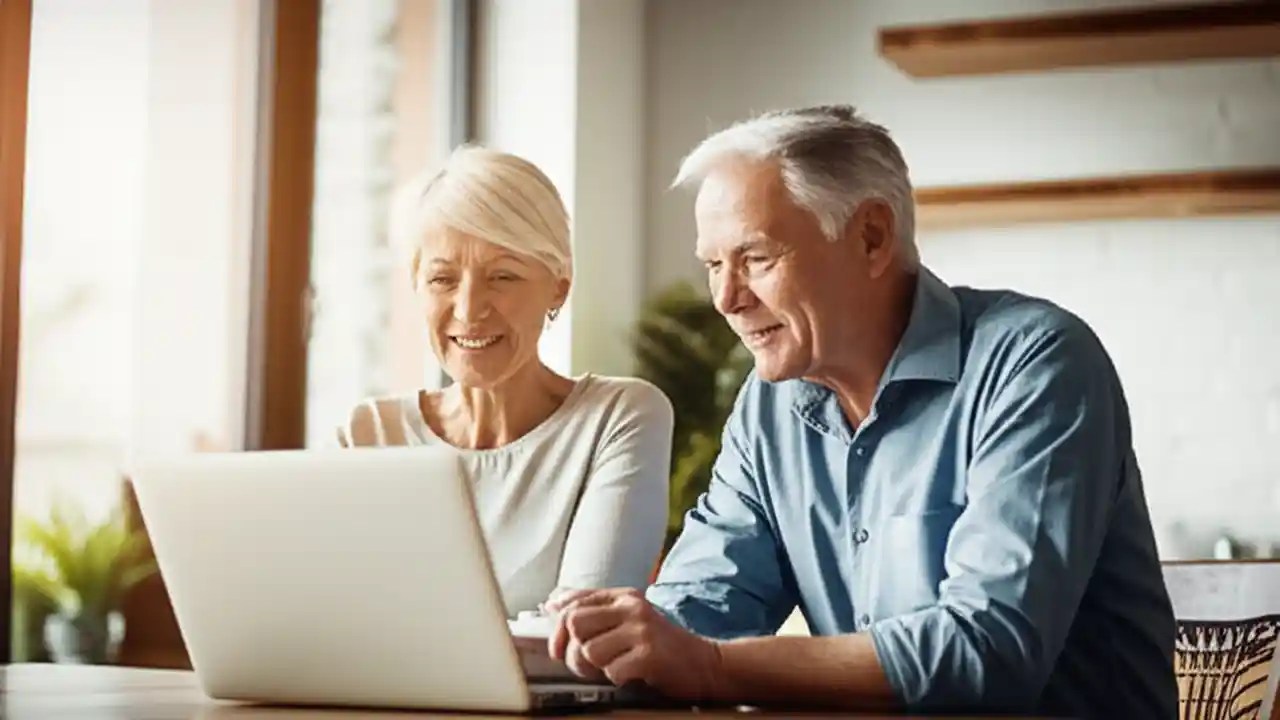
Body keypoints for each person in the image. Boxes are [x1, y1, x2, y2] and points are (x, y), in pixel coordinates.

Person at [545, 106, 1177, 717]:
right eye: (713, 265)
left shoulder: (1036, 363)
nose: (727, 298)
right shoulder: (770, 408)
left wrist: (711, 667)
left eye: (755, 259)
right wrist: (597, 646)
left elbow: (988, 650)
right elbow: (697, 613)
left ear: (871, 237)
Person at [338, 146, 674, 618]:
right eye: (442, 279)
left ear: (558, 287)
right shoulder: (370, 431)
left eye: (503, 276)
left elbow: (585, 626)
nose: (470, 308)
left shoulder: (618, 416)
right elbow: (344, 615)